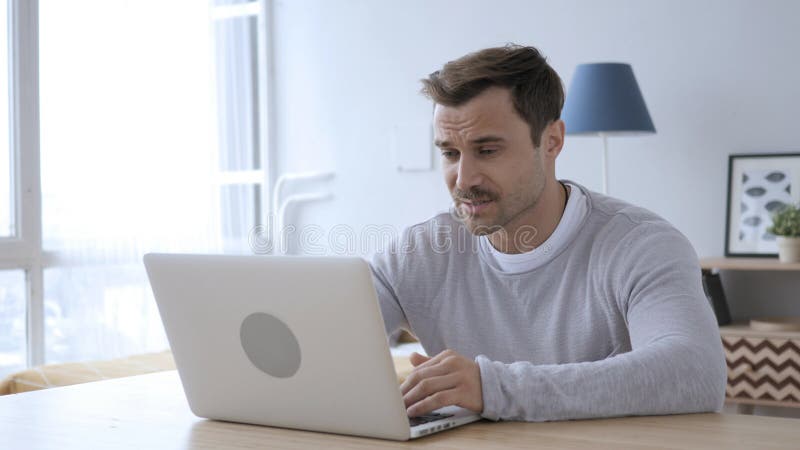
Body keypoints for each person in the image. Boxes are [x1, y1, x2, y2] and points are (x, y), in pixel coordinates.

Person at [369, 44, 727, 422]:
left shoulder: (641, 245)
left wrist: (493, 387)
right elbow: (321, 345)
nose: (464, 179)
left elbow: (695, 371)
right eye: (450, 154)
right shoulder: (421, 252)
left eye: (487, 150)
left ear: (552, 141)